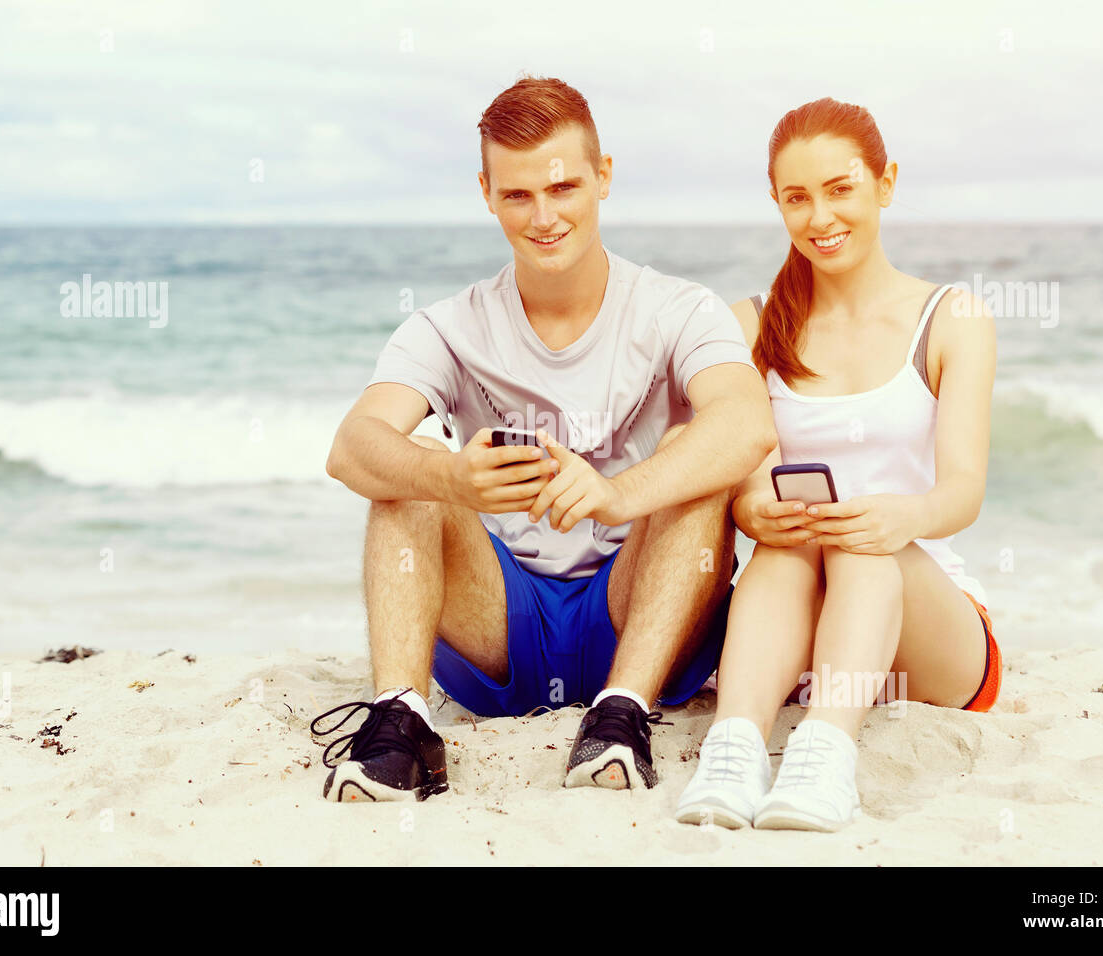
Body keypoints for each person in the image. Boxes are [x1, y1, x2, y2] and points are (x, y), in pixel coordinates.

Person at [312, 76, 776, 803]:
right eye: (519, 195)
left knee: (700, 465)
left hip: (639, 615)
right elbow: (351, 447)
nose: (544, 216)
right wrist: (454, 481)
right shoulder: (450, 326)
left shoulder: (679, 308)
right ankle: (400, 722)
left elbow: (746, 424)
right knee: (409, 471)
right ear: (487, 193)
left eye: (563, 188)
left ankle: (620, 716)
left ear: (604, 178)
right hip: (498, 628)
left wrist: (618, 493)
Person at [675, 97, 1002, 832]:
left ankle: (825, 760)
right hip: (802, 624)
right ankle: (734, 753)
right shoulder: (750, 324)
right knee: (784, 544)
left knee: (859, 541)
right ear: (777, 204)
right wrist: (753, 504)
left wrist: (902, 514)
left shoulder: (952, 318)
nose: (820, 217)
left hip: (931, 631)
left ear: (885, 183)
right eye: (797, 198)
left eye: (840, 189)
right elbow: (745, 472)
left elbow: (963, 491)